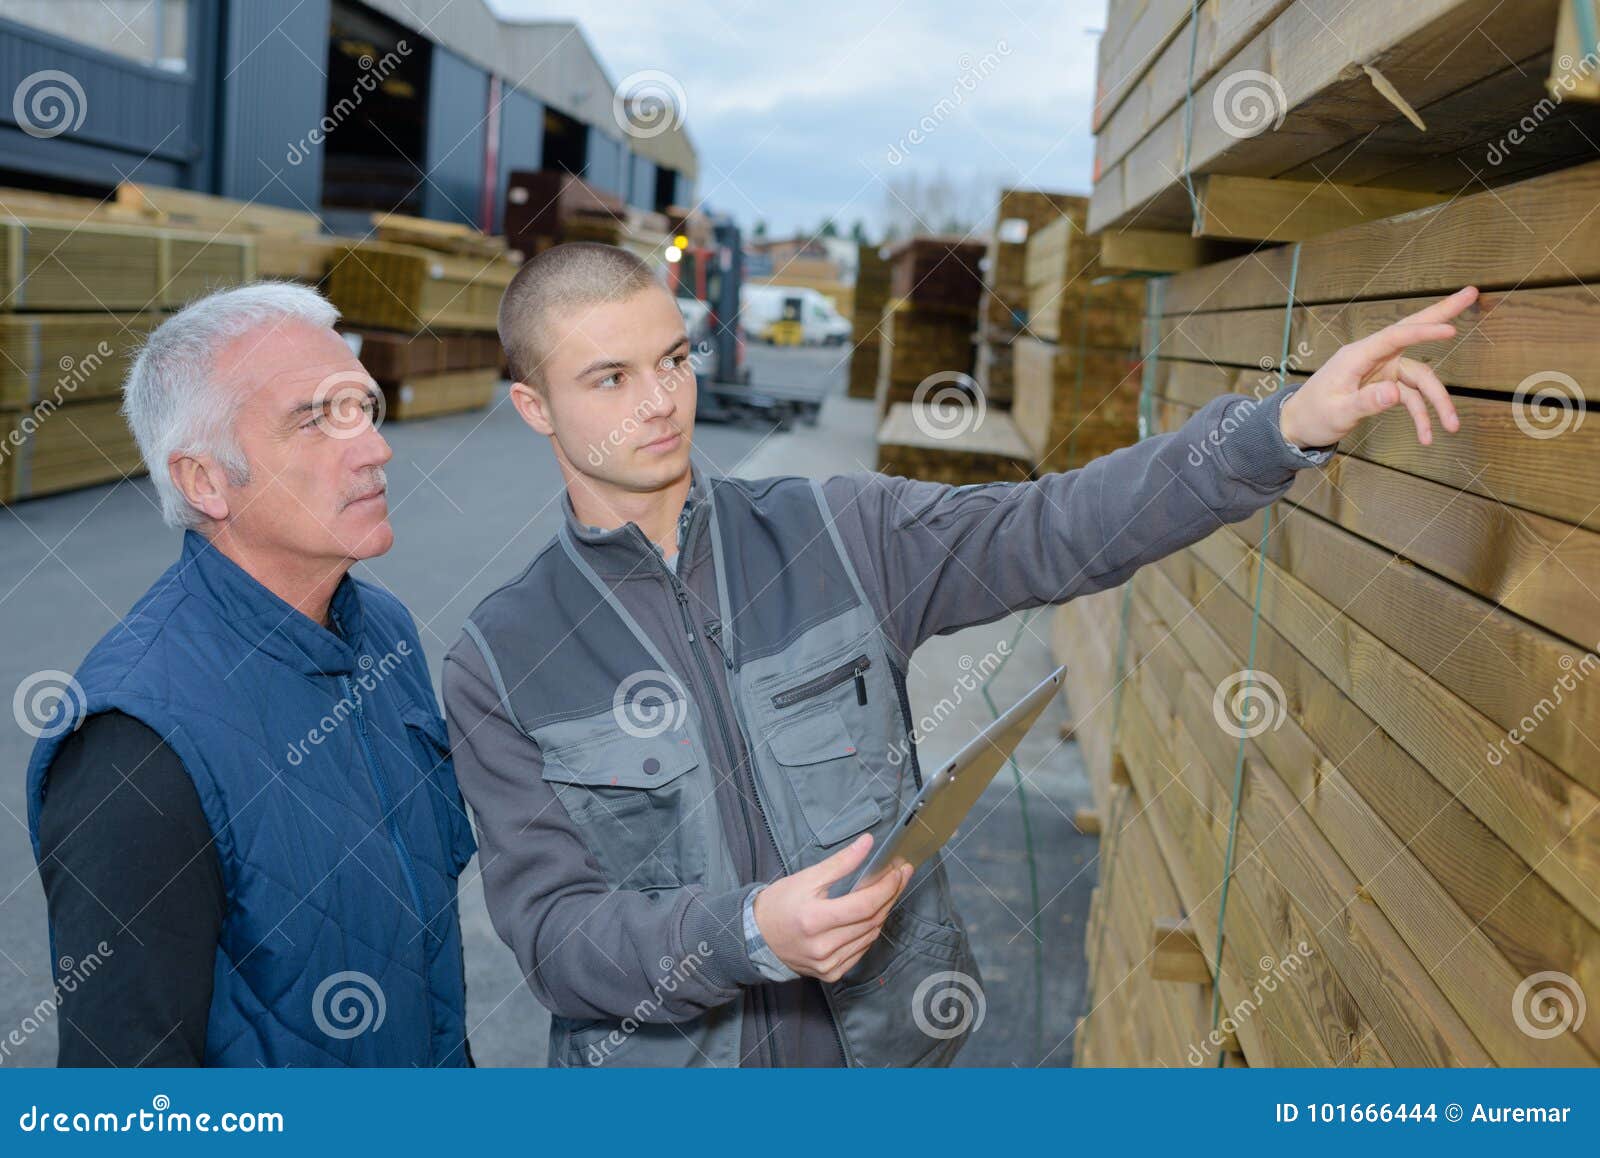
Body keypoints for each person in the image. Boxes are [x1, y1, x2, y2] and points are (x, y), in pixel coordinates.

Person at [445, 241, 1470, 1067]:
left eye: (671, 359)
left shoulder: (838, 534)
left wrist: (1277, 427)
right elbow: (556, 941)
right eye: (609, 378)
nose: (661, 401)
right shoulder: (503, 657)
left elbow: (1055, 525)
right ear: (534, 405)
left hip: (890, 1060)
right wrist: (746, 932)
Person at [25, 283, 477, 1067]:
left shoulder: (383, 634)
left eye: (362, 408)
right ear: (205, 481)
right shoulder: (135, 746)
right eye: (313, 420)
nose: (375, 448)